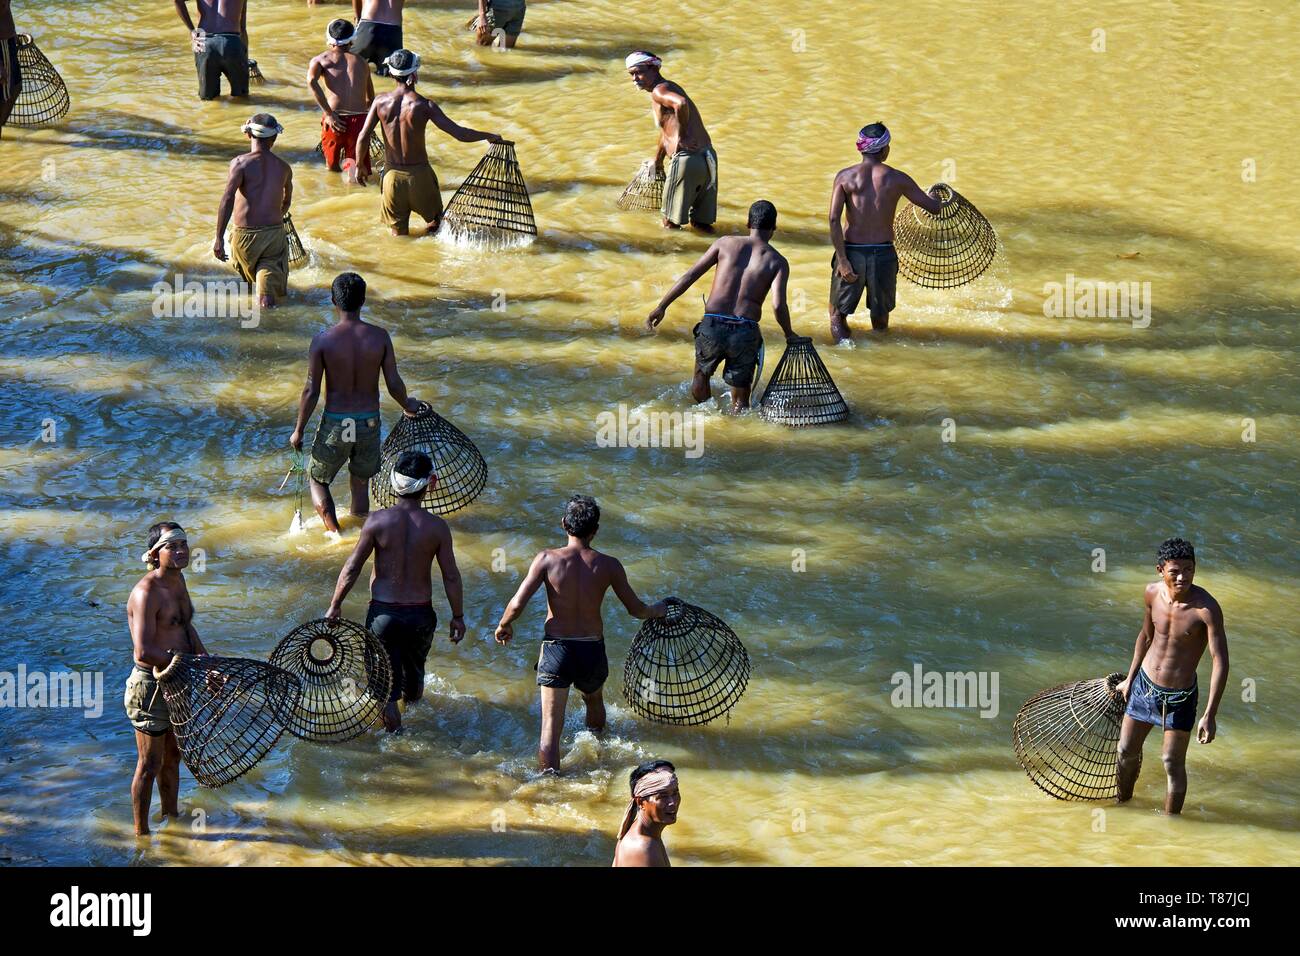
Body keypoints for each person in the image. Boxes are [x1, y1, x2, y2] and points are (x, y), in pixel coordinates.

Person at [495, 496, 669, 773]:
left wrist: (505, 624)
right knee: (594, 701)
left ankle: (549, 782)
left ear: (564, 524)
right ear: (595, 530)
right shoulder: (609, 565)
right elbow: (636, 610)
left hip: (556, 649)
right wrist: (658, 610)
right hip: (591, 649)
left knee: (550, 727)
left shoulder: (546, 559)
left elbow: (517, 603)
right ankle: (598, 758)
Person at [326, 451, 465, 732]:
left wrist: (335, 605)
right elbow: (451, 576)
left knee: (383, 688)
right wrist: (458, 616)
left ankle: (395, 743)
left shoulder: (377, 522)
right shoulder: (437, 528)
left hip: (383, 616)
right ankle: (417, 726)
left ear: (393, 483)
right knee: (415, 678)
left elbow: (352, 568)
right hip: (420, 616)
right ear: (431, 483)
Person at [290, 272, 421, 534]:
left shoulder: (322, 341)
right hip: (369, 422)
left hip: (336, 422)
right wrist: (408, 404)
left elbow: (311, 390)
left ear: (332, 301)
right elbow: (393, 382)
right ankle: (361, 531)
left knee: (317, 478)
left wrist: (299, 430)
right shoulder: (380, 337)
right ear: (363, 301)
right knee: (360, 482)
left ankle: (334, 533)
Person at [646, 200, 796, 412]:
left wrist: (662, 306)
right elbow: (778, 305)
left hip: (712, 326)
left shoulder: (724, 243)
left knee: (700, 377)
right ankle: (734, 433)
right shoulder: (777, 261)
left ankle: (706, 414)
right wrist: (789, 334)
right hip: (745, 331)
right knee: (741, 403)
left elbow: (690, 275)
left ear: (747, 223)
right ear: (774, 228)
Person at [1115, 538, 1229, 814]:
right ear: (1160, 570)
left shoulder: (1206, 609)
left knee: (1171, 761)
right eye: (1175, 571)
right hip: (1144, 687)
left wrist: (1210, 714)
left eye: (1189, 569)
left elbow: (1220, 661)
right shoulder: (1151, 594)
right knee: (1125, 752)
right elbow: (1145, 636)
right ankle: (1123, 805)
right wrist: (1130, 679)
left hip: (1180, 697)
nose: (1182, 577)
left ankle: (1171, 823)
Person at [356, 50, 503, 236]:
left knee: (399, 237)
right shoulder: (425, 106)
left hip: (391, 179)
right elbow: (460, 134)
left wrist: (360, 165)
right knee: (437, 225)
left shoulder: (380, 102)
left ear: (392, 74)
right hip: (420, 177)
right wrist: (488, 135)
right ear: (415, 74)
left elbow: (363, 137)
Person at [828, 121, 949, 342]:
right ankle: (879, 352)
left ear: (862, 149)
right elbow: (933, 207)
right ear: (884, 150)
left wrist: (843, 260)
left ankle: (846, 353)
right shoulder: (898, 179)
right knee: (880, 319)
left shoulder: (845, 177)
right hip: (883, 254)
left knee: (837, 316)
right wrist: (938, 195)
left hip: (852, 254)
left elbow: (834, 219)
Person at [125, 522, 210, 836]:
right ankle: (141, 836)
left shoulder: (179, 580)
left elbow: (185, 626)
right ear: (154, 554)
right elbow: (144, 652)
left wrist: (205, 661)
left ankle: (172, 822)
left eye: (183, 545)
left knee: (173, 757)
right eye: (171, 547)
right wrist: (188, 664)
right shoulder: (146, 592)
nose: (180, 551)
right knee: (149, 765)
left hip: (178, 680)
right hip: (151, 686)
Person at [625, 51, 717, 231]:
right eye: (631, 74)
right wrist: (657, 160)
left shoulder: (659, 91)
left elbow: (681, 104)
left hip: (686, 161)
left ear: (654, 68)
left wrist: (682, 136)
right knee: (701, 224)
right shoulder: (670, 86)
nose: (635, 78)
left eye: (639, 72)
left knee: (669, 224)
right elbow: (667, 130)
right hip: (708, 157)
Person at [214, 114, 293, 308]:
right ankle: (268, 329)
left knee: (247, 288)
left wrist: (218, 238)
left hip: (243, 238)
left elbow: (227, 199)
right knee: (266, 297)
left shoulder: (240, 164)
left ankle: (250, 329)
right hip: (274, 236)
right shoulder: (284, 168)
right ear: (274, 139)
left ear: (248, 135)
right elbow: (287, 202)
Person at [309, 19, 376, 185]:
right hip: (359, 121)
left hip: (334, 121)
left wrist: (329, 114)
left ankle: (335, 194)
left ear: (329, 38)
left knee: (331, 167)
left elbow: (311, 82)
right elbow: (370, 99)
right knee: (354, 172)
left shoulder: (320, 60)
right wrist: (368, 125)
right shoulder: (362, 62)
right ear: (352, 39)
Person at [174, 0, 249, 101]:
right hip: (232, 41)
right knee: (242, 99)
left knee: (208, 100)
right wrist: (245, 57)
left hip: (204, 41)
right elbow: (242, 27)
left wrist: (192, 31)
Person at [612, 760, 680, 867]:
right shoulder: (643, 849)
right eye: (662, 796)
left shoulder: (647, 834)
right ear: (640, 802)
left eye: (675, 793)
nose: (673, 802)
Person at [352, 0, 405, 75]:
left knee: (350, 67)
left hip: (368, 26)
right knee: (393, 75)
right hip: (393, 31)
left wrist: (358, 18)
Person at [0, 1, 18, 138]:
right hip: (1, 44)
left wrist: (13, 33)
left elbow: (5, 7)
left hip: (7, 38)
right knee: (4, 98)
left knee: (16, 87)